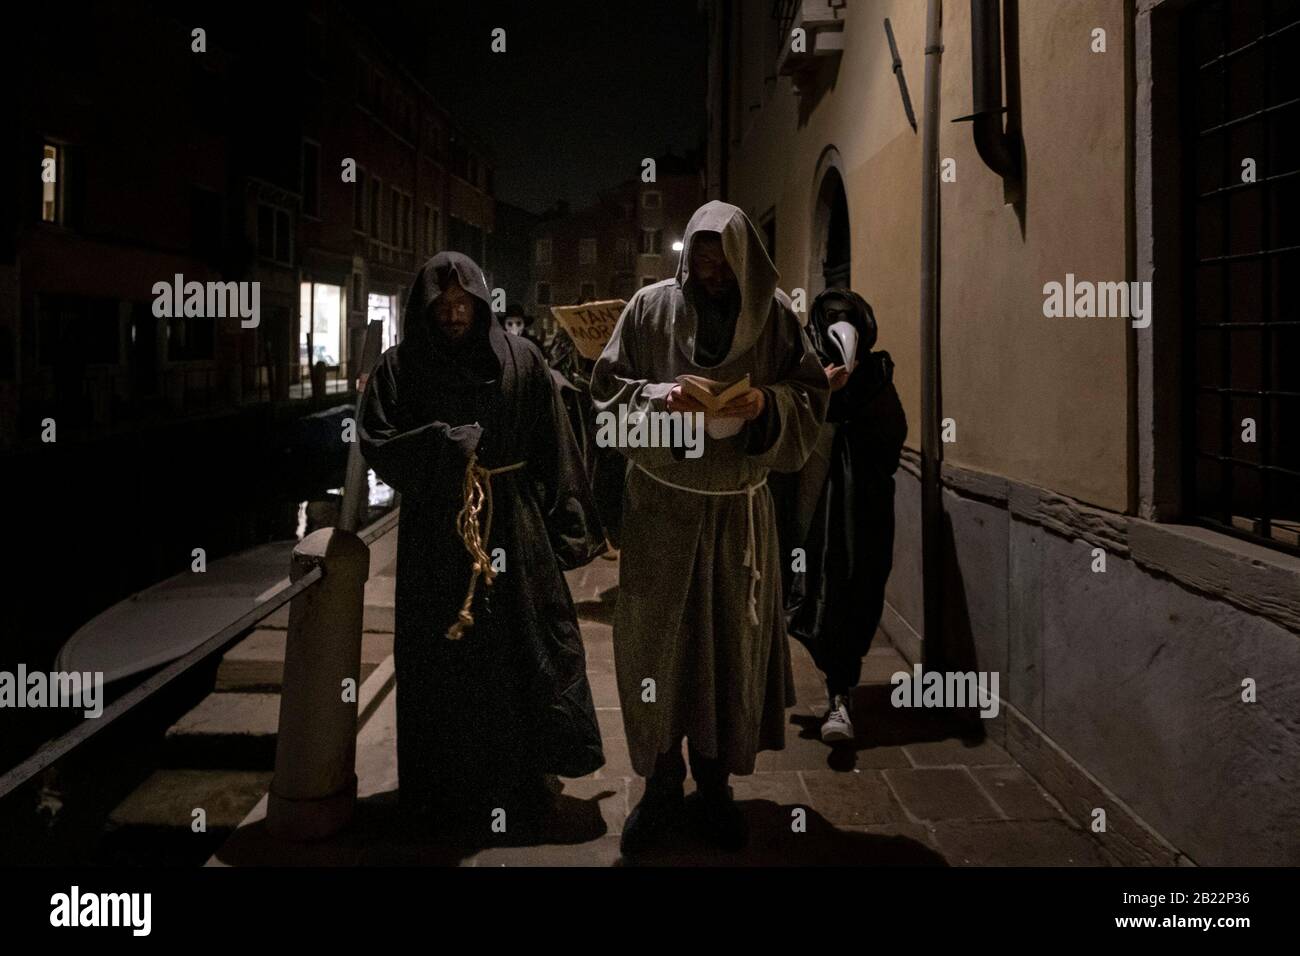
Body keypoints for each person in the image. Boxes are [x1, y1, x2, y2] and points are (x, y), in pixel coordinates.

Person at [591, 201, 829, 855]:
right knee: (657, 653)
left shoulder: (777, 315)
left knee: (728, 650)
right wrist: (659, 400)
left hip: (738, 516)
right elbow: (605, 399)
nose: (710, 270)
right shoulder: (647, 310)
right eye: (699, 259)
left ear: (743, 258)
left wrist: (766, 406)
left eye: (721, 261)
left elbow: (811, 395)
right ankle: (662, 786)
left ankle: (716, 786)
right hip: (661, 515)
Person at [358, 252, 606, 840]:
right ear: (426, 308)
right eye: (442, 306)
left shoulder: (522, 360)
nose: (452, 314)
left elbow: (555, 443)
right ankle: (440, 793)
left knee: (519, 653)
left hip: (514, 532)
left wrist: (570, 526)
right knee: (439, 659)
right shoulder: (400, 368)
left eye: (461, 303)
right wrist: (442, 447)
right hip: (434, 540)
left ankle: (518, 785)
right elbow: (377, 441)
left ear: (479, 303)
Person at [780, 288, 907, 743]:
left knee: (853, 593)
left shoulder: (875, 374)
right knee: (808, 593)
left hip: (862, 517)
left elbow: (891, 439)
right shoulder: (804, 374)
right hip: (812, 513)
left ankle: (840, 695)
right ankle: (817, 690)